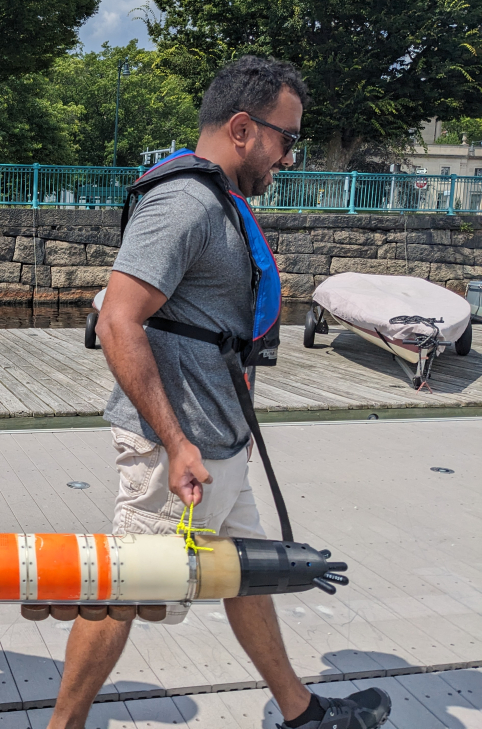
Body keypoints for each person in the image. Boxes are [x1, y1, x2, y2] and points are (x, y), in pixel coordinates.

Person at [48, 56, 392, 729]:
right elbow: (118, 320)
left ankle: (300, 712)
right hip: (176, 452)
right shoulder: (183, 203)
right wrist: (174, 444)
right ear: (242, 127)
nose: (288, 157)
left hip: (217, 440)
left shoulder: (219, 203)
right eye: (286, 139)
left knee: (248, 574)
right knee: (123, 592)